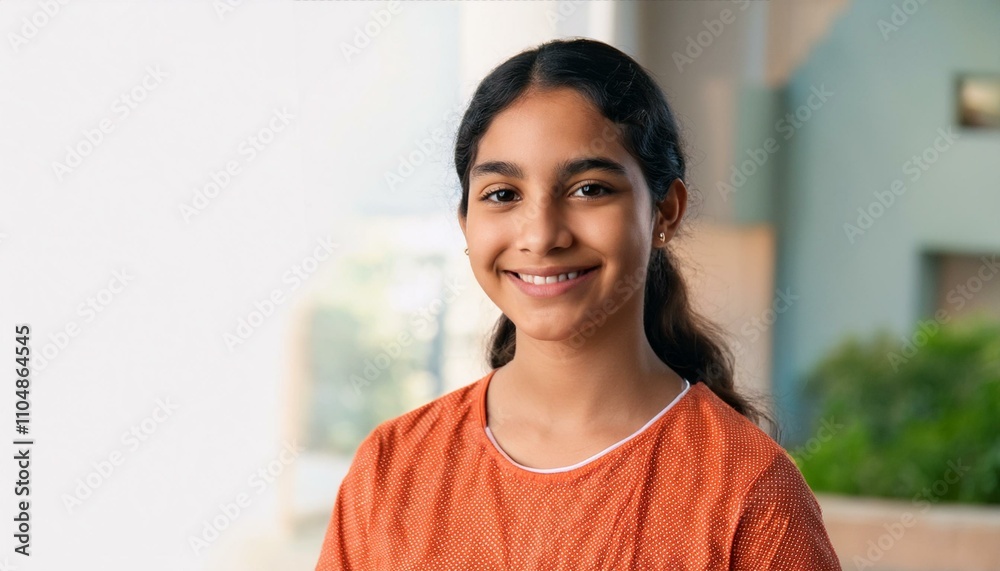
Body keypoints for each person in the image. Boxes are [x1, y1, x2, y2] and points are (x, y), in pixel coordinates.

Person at [315, 37, 842, 570]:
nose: (541, 236)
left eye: (589, 189)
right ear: (465, 224)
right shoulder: (391, 468)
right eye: (502, 194)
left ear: (665, 212)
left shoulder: (751, 494)